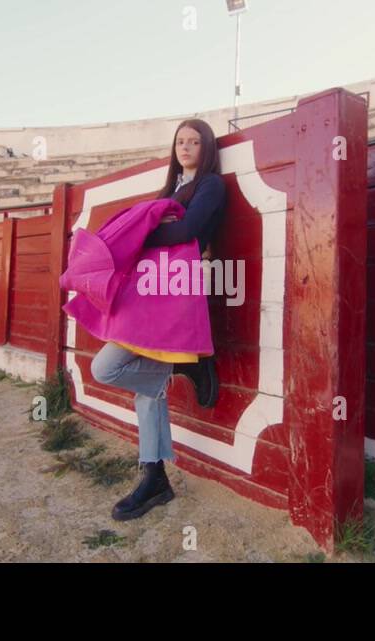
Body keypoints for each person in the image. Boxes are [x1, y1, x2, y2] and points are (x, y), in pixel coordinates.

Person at [90, 118, 227, 521]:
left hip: (177, 292)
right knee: (117, 373)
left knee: (113, 371)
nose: (185, 147)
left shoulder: (210, 185)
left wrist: (143, 233)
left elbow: (187, 229)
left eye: (194, 141)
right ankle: (156, 477)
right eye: (180, 141)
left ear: (207, 148)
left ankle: (154, 478)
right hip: (152, 290)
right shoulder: (170, 190)